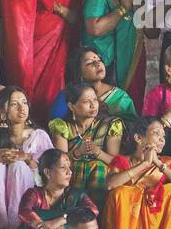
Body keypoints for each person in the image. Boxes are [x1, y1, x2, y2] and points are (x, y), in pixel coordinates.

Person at [0, 0, 82, 121]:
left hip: (56, 53)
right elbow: (13, 8)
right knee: (24, 98)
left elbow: (78, 18)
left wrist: (61, 10)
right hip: (26, 53)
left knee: (52, 98)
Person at [0, 86, 53, 229]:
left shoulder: (39, 135)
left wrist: (26, 158)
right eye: (14, 104)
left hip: (31, 194)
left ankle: (16, 227)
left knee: (18, 167)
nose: (22, 108)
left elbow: (50, 170)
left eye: (24, 102)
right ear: (1, 111)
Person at [82, 0, 144, 109]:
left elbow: (151, 32)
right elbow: (95, 29)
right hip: (106, 66)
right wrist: (122, 9)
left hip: (130, 63)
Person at [49, 81, 125, 209]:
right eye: (86, 102)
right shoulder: (62, 127)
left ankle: (95, 215)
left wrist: (98, 153)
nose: (93, 105)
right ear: (72, 106)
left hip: (100, 180)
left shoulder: (110, 125)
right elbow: (60, 164)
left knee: (96, 166)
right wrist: (78, 153)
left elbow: (116, 162)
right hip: (71, 178)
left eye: (95, 100)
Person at [48, 46, 137, 124]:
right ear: (79, 72)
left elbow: (132, 128)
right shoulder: (67, 96)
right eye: (90, 63)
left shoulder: (120, 98)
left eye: (99, 60)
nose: (98, 64)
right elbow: (55, 124)